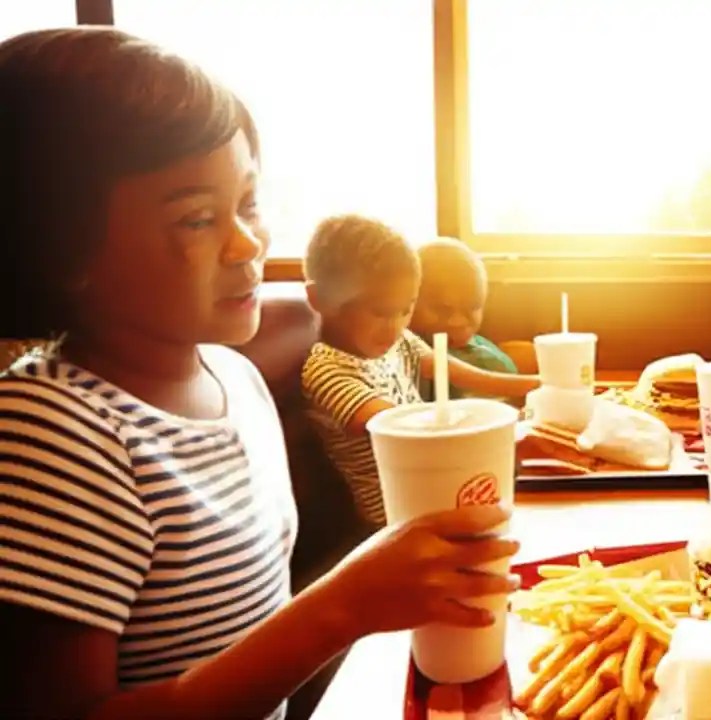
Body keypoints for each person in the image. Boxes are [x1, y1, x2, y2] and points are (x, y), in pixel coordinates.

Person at [0, 28, 520, 720]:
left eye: (246, 203)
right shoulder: (50, 431)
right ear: (64, 254)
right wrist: (340, 610)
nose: (249, 242)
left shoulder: (234, 379)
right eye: (196, 219)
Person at [301, 216, 538, 526]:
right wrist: (505, 434)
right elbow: (399, 430)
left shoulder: (395, 341)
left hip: (438, 488)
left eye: (406, 309)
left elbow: (449, 368)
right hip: (396, 522)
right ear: (322, 300)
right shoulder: (327, 371)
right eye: (381, 312)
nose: (397, 325)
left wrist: (536, 385)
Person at [410, 237, 521, 402]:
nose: (458, 321)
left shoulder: (488, 358)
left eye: (472, 307)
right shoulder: (403, 356)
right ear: (409, 302)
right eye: (442, 310)